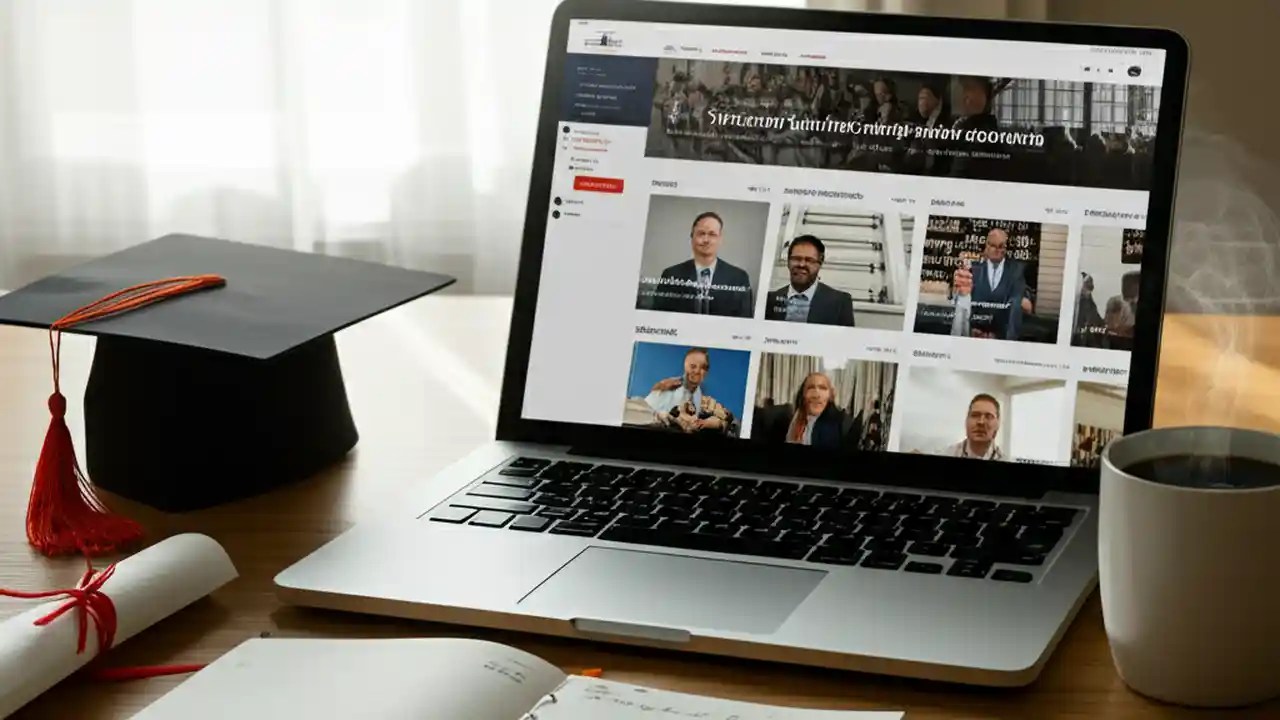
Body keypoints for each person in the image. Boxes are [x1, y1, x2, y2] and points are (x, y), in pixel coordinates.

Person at [650, 212, 755, 317]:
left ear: (720, 239)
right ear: (692, 238)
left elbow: (744, 322)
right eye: (701, 233)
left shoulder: (739, 278)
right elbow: (659, 317)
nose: (706, 240)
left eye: (712, 234)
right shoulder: (671, 275)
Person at [951, 227, 1026, 340]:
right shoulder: (974, 270)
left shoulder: (1016, 271)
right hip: (974, 336)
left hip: (1001, 338)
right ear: (986, 246)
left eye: (1000, 246)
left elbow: (1015, 306)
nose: (996, 250)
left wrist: (1001, 337)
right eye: (992, 245)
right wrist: (971, 330)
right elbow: (963, 303)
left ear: (1005, 249)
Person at [763, 235, 855, 326]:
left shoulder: (840, 302)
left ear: (820, 263)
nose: (802, 264)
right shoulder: (769, 300)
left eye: (809, 260)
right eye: (796, 259)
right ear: (788, 261)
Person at [643, 347, 735, 434]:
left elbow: (727, 419)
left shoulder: (706, 402)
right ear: (685, 366)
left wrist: (711, 423)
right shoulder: (666, 389)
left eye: (703, 367)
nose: (697, 371)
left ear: (706, 372)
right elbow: (643, 411)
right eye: (693, 366)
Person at [783, 371, 844, 447]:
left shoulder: (840, 425)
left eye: (823, 388)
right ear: (803, 394)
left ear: (830, 396)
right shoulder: (793, 419)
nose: (816, 395)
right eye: (810, 388)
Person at [938, 393, 1005, 460]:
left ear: (998, 424)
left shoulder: (1007, 460)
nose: (981, 422)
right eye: (975, 415)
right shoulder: (945, 454)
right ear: (966, 420)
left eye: (988, 416)